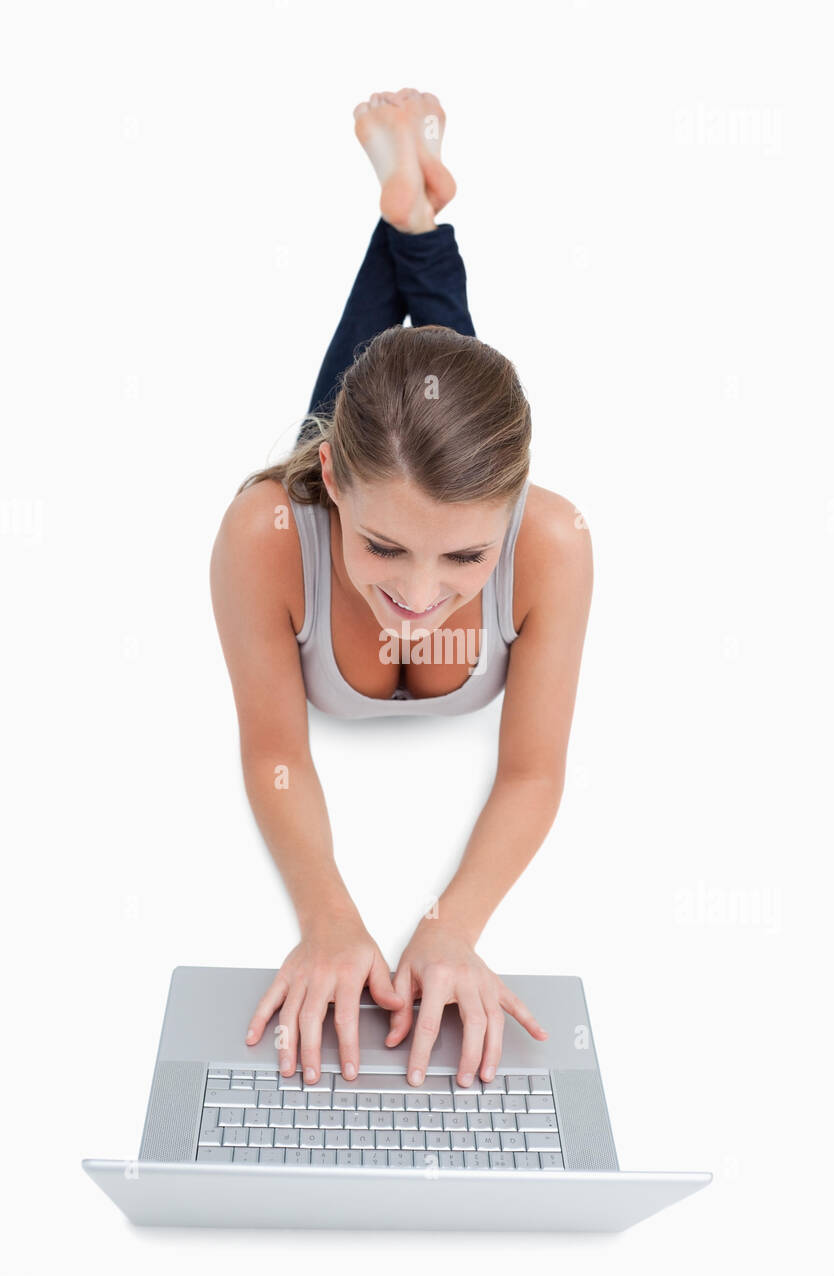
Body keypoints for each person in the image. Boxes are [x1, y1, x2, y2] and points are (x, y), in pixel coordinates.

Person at [210, 89, 593, 1092]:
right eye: (380, 548)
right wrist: (328, 917)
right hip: (349, 459)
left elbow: (530, 774)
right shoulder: (267, 529)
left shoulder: (546, 536)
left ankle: (406, 211)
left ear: (509, 520)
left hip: (427, 479)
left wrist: (448, 927)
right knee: (378, 381)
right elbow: (272, 753)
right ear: (332, 484)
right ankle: (408, 215)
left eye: (468, 560)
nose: (418, 597)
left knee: (445, 382)